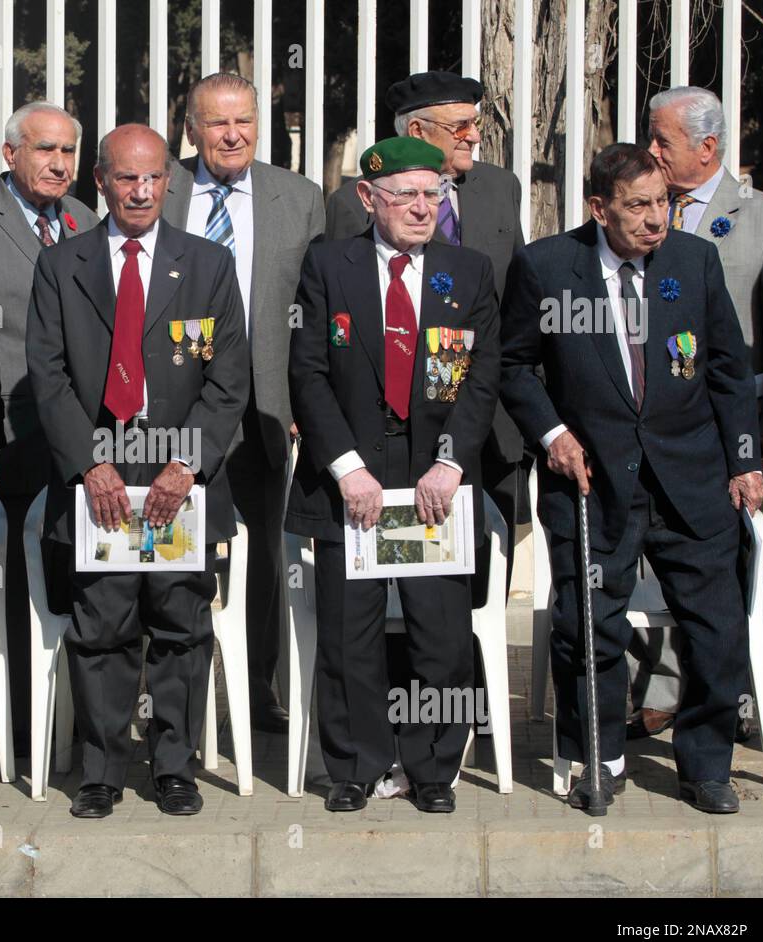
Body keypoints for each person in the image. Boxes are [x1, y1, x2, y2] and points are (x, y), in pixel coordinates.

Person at [499, 143, 763, 814]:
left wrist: (745, 460)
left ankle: (705, 763)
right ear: (598, 208)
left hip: (692, 477)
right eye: (638, 206)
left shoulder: (693, 260)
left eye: (664, 204)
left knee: (717, 627)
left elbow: (730, 369)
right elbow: (513, 366)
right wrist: (553, 435)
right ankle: (600, 756)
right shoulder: (547, 265)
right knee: (589, 626)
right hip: (591, 478)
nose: (656, 220)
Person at [26, 124, 249, 818]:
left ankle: (174, 766)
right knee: (102, 626)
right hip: (101, 476)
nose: (142, 191)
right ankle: (100, 769)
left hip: (179, 476)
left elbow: (228, 378)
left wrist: (188, 465)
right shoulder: (62, 267)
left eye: (153, 178)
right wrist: (90, 465)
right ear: (101, 181)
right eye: (126, 178)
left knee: (181, 622)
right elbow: (49, 374)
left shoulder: (208, 265)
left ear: (169, 182)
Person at [286, 136, 502, 814]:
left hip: (434, 487)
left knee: (440, 635)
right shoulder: (329, 266)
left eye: (432, 195)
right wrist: (347, 470)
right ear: (367, 199)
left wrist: (450, 463)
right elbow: (309, 373)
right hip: (353, 488)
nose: (420, 207)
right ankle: (354, 766)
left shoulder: (466, 272)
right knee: (351, 637)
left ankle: (434, 769)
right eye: (405, 194)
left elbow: (479, 377)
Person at [625, 85, 763, 739]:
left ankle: (736, 698)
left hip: (730, 426)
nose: (651, 150)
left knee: (725, 568)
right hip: (650, 420)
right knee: (652, 558)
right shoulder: (640, 209)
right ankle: (661, 690)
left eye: (662, 140)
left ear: (707, 146)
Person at [161, 72, 325, 734]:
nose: (233, 135)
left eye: (244, 121)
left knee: (263, 554)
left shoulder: (301, 198)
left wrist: (301, 404)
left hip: (266, 408)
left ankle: (257, 692)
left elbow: (313, 312)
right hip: (175, 406)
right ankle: (176, 699)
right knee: (179, 551)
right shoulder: (160, 188)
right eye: (217, 123)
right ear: (192, 129)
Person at [325, 72, 525, 605]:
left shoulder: (500, 187)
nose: (474, 137)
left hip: (487, 414)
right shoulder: (355, 205)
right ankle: (400, 682)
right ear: (418, 128)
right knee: (388, 574)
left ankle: (467, 683)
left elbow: (517, 298)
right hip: (396, 427)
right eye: (461, 126)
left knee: (466, 588)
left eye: (475, 124)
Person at [0, 102, 98, 756]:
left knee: (78, 575)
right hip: (6, 436)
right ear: (9, 153)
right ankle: (23, 733)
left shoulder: (85, 220)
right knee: (14, 584)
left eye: (69, 151)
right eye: (45, 149)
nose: (59, 163)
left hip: (78, 438)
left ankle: (83, 728)